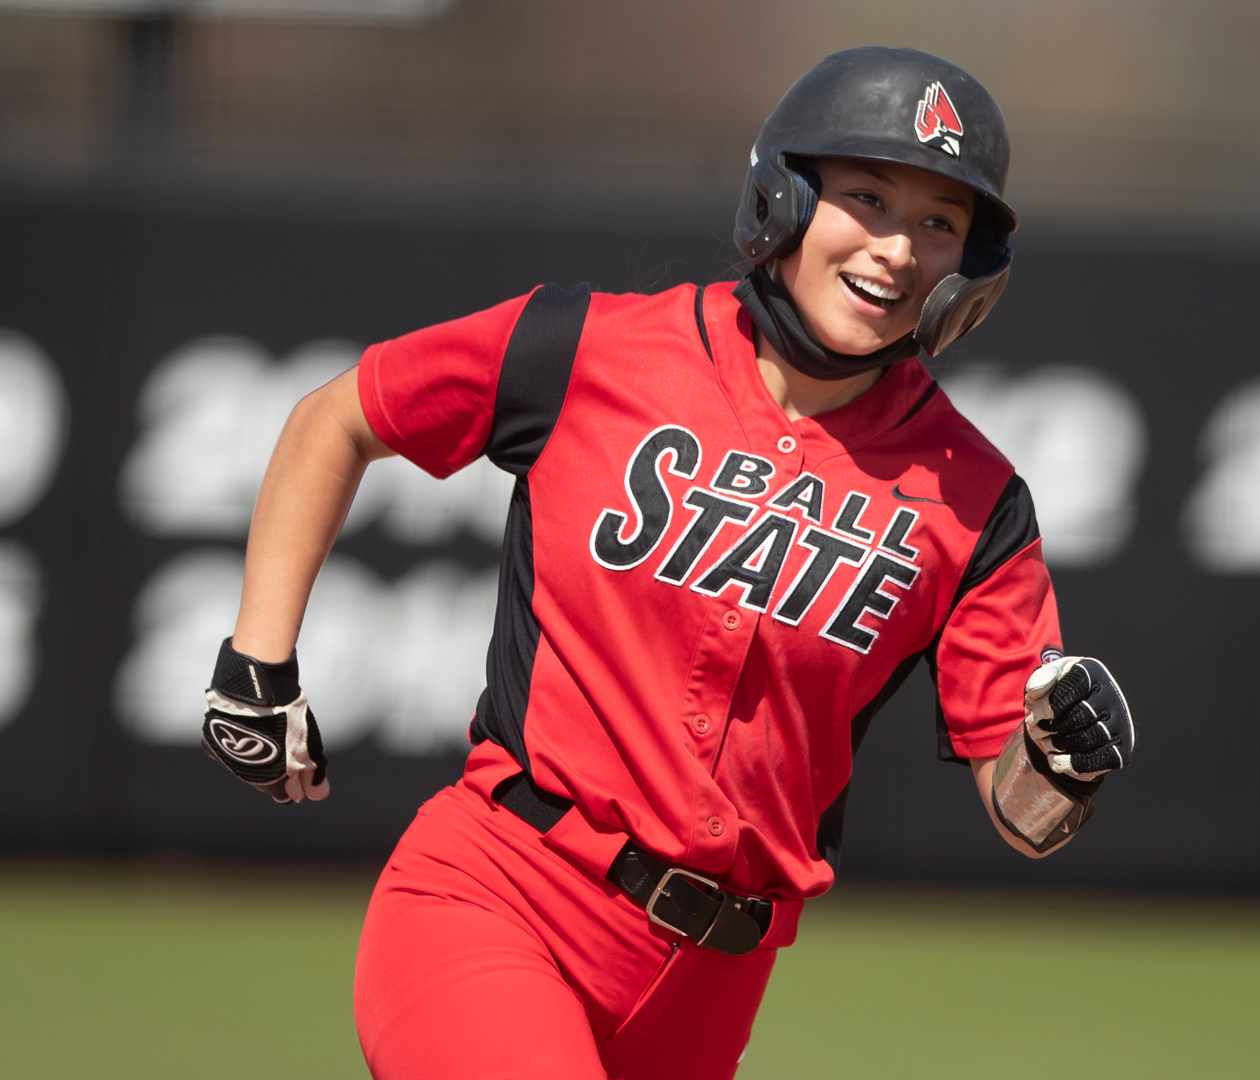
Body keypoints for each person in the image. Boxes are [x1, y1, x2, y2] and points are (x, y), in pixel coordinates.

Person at [195, 47, 1137, 1080]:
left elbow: (1023, 814)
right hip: (501, 894)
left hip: (708, 990)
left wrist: (1062, 763)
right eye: (865, 196)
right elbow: (341, 418)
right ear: (783, 194)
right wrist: (257, 664)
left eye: (938, 222)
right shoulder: (586, 348)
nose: (898, 248)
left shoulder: (975, 498)